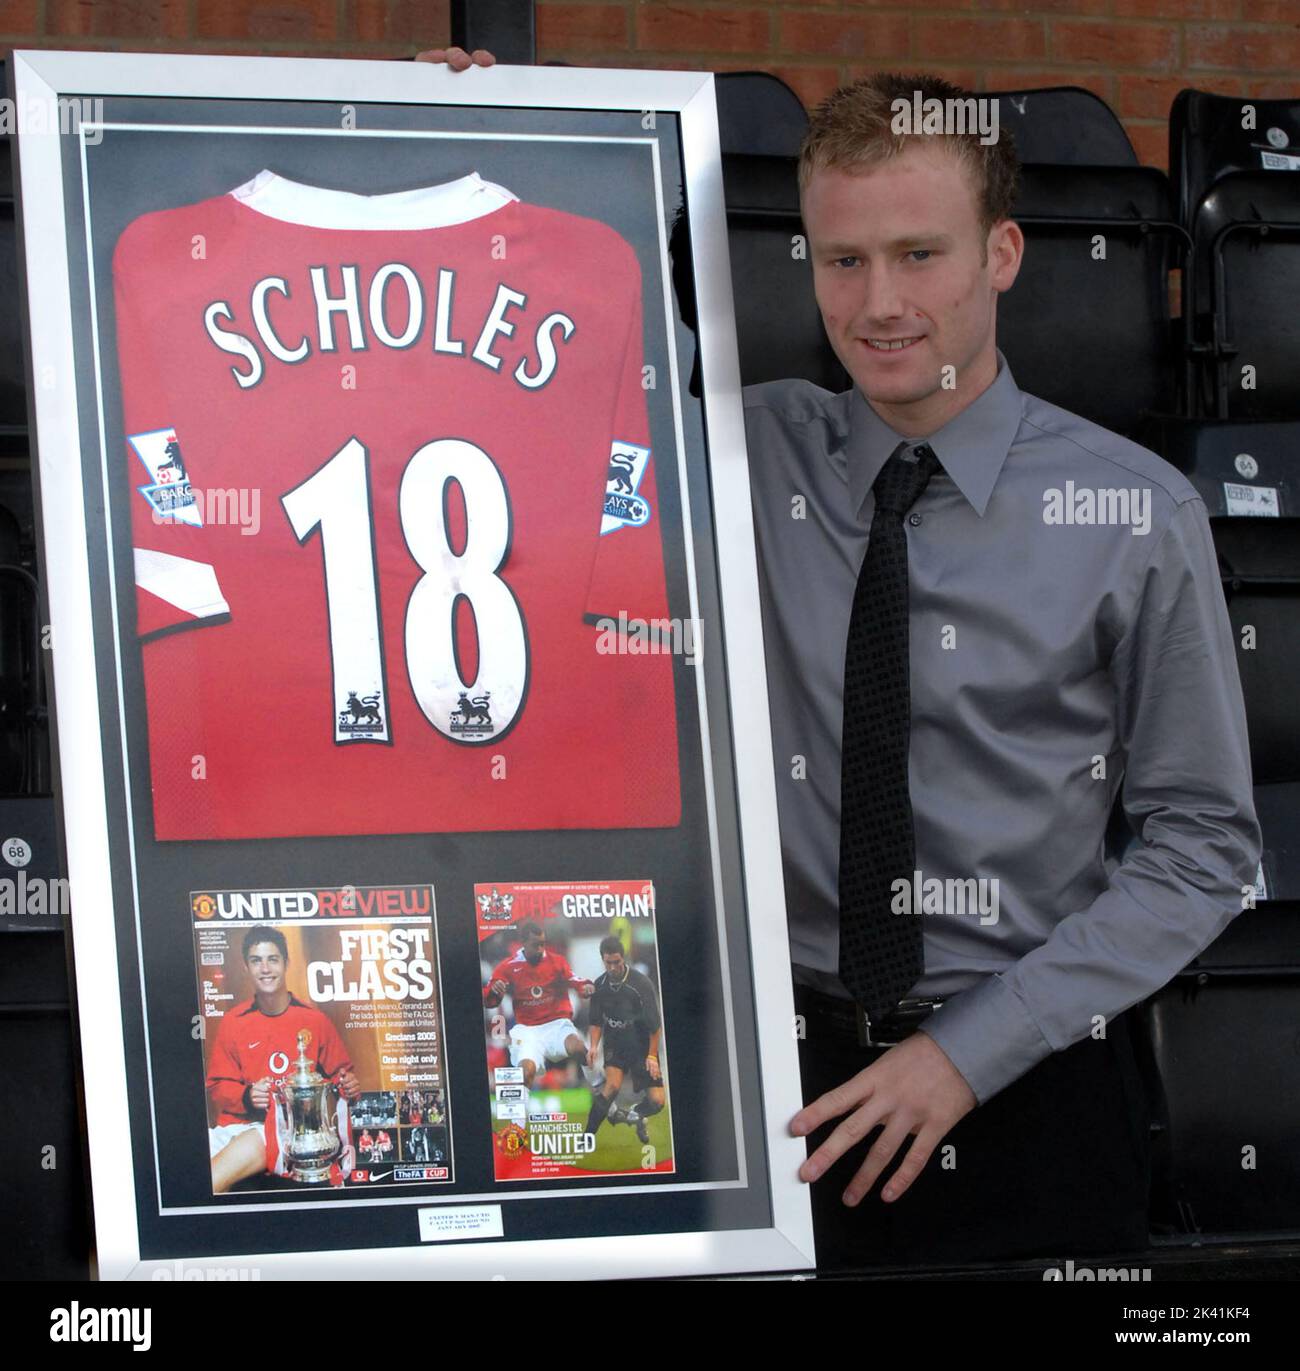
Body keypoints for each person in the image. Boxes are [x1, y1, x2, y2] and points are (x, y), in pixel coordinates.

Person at [419, 52, 1259, 1268]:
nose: (878, 304)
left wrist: (967, 1051)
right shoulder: (737, 457)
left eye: (919, 254)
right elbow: (502, 402)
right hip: (766, 1079)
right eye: (842, 259)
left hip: (1028, 1088)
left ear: (1003, 256)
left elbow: (1203, 850)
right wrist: (470, 143)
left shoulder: (1132, 513)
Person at [206, 927, 360, 1193]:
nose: (265, 968)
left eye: (273, 959)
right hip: (231, 1127)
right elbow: (217, 1086)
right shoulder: (233, 1022)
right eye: (256, 960)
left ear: (286, 963)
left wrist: (350, 1087)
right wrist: (247, 1096)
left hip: (278, 1132)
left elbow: (343, 1080)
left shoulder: (314, 1021)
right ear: (246, 967)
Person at [482, 922, 595, 1103]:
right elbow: (489, 1001)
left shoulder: (556, 961)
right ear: (523, 943)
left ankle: (596, 1088)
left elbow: (574, 979)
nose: (541, 948)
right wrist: (495, 991)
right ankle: (517, 1124)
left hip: (556, 1025)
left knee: (580, 1047)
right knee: (526, 1072)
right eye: (536, 944)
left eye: (543, 943)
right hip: (528, 1030)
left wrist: (585, 987)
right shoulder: (508, 966)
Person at [584, 937, 666, 1147]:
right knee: (611, 1086)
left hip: (641, 1047)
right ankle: (586, 1138)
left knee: (657, 1102)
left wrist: (651, 1056)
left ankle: (635, 1115)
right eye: (608, 963)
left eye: (617, 962)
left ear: (624, 958)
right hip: (615, 1044)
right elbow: (595, 1022)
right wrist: (593, 1046)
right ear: (603, 960)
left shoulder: (640, 984)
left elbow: (655, 1027)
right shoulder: (599, 986)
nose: (613, 967)